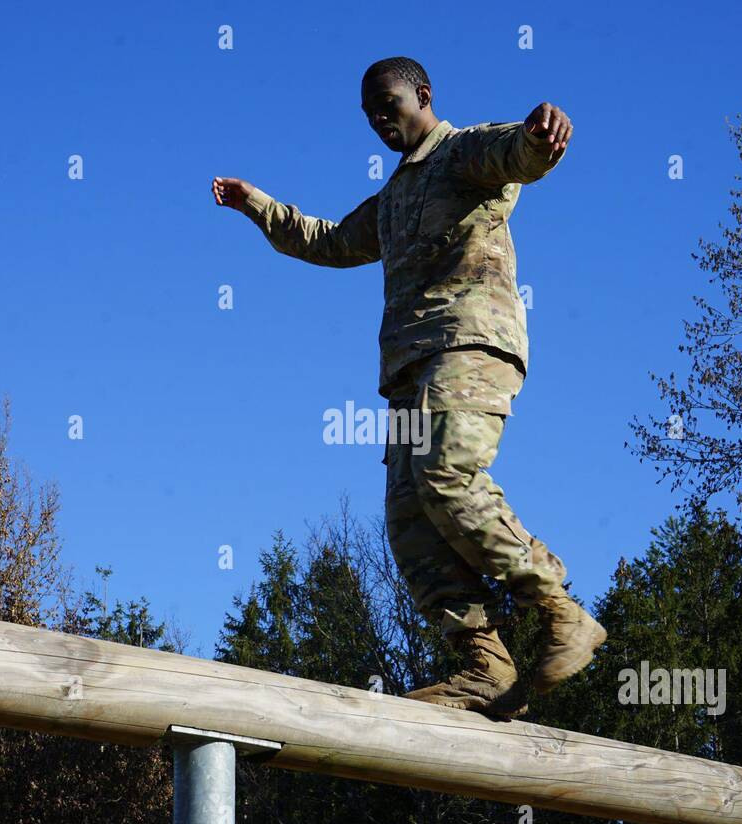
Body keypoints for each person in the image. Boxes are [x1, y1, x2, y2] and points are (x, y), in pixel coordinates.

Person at [212, 56, 605, 719]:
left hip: (468, 346)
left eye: (387, 104)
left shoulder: (464, 154)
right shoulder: (394, 198)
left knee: (447, 474)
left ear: (422, 95)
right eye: (368, 113)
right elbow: (330, 240)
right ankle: (484, 663)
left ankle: (561, 612)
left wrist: (540, 139)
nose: (378, 119)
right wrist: (258, 206)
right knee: (410, 521)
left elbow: (519, 154)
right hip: (406, 377)